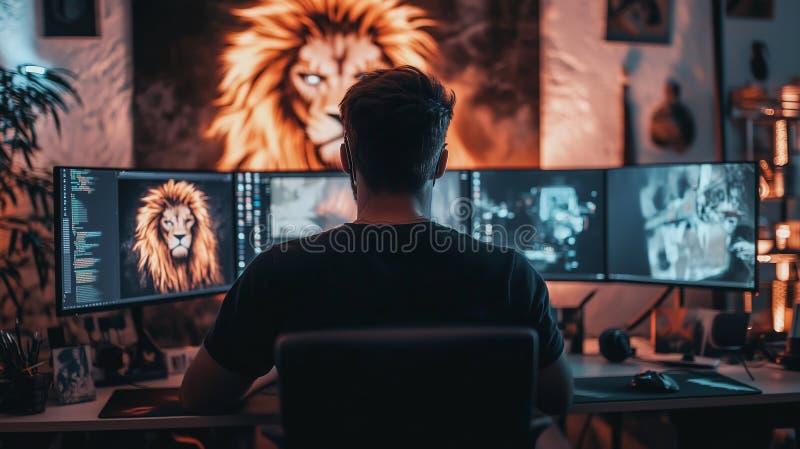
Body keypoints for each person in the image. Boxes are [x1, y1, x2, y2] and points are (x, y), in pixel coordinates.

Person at [180, 66, 573, 419]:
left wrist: (279, 371)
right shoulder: (509, 275)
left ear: (346, 160)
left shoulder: (277, 272)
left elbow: (199, 397)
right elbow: (558, 398)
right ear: (441, 164)